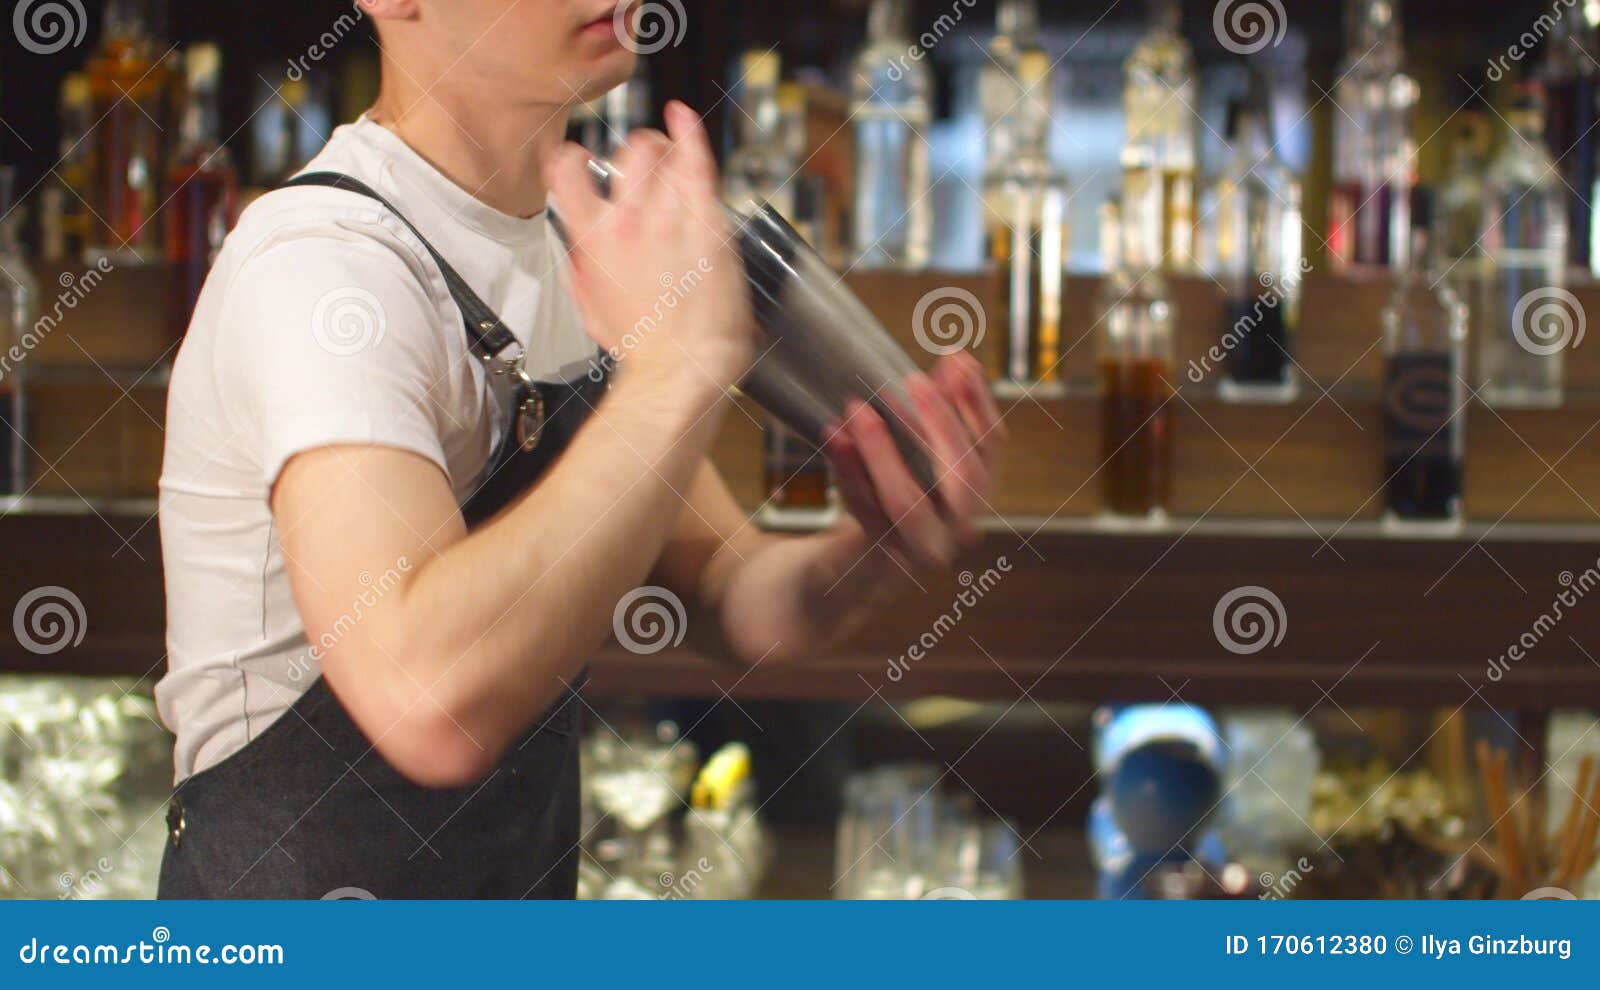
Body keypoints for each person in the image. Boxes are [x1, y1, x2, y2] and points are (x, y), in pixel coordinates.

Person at [155, 0, 1003, 898]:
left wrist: (872, 547)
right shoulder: (327, 266)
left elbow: (729, 589)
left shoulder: (581, 249)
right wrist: (674, 373)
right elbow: (430, 703)